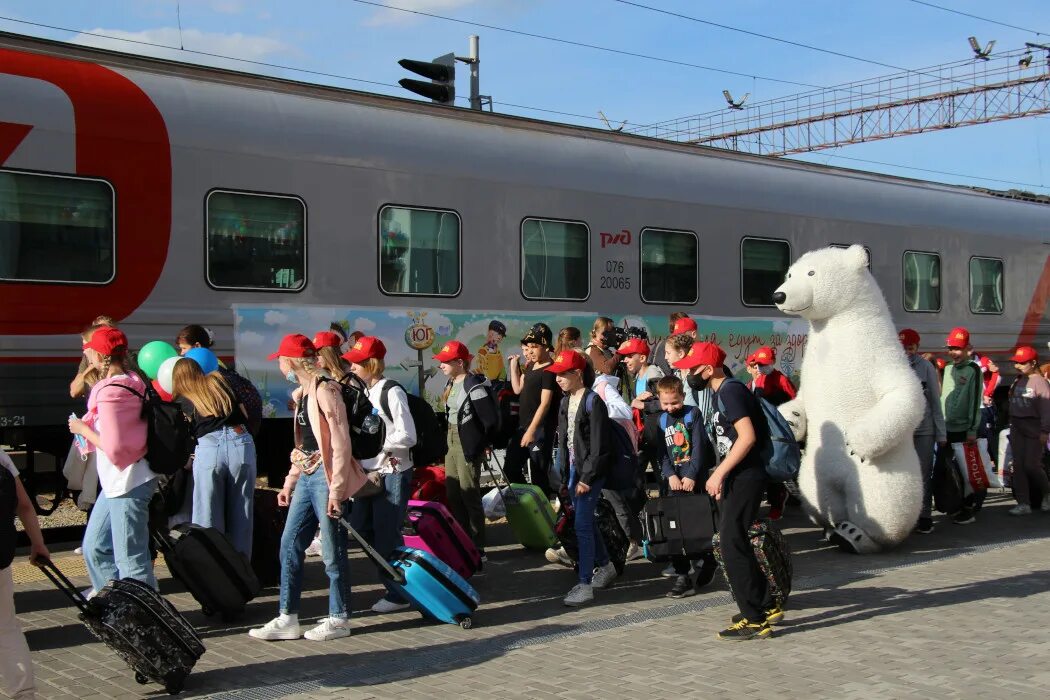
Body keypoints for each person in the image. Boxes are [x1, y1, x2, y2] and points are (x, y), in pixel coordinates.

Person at [249, 334, 362, 642]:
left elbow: (341, 443)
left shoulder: (326, 390)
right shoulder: (303, 394)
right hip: (309, 478)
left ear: (293, 361)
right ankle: (288, 616)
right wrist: (290, 482)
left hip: (326, 481)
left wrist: (337, 490)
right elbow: (305, 447)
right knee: (289, 544)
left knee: (332, 550)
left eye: (281, 360)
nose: (280, 366)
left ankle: (339, 617)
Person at [675, 342, 778, 640]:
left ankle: (755, 619)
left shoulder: (730, 391)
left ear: (708, 369)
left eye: (693, 369)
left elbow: (746, 438)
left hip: (746, 475)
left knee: (731, 543)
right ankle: (764, 603)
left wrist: (719, 474)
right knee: (735, 540)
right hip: (739, 475)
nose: (689, 375)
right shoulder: (725, 391)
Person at [67, 327, 159, 594]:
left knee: (131, 560)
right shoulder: (132, 379)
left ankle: (146, 620)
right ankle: (116, 602)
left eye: (89, 350)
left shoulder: (109, 392)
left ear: (97, 354)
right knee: (95, 547)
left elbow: (114, 448)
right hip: (120, 481)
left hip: (127, 481)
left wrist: (82, 430)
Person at [343, 336, 418, 614]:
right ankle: (394, 582)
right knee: (362, 529)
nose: (351, 367)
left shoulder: (391, 391)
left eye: (357, 363)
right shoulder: (364, 392)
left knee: (387, 533)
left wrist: (380, 446)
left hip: (392, 472)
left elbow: (408, 435)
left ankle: (399, 592)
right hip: (369, 473)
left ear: (371, 364)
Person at [549, 350, 617, 606]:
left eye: (562, 374)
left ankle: (585, 583)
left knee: (582, 526)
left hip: (590, 473)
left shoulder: (593, 401)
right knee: (583, 522)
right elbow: (566, 443)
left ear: (577, 373)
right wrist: (565, 476)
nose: (557, 379)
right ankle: (607, 566)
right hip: (575, 471)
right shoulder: (566, 400)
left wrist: (586, 478)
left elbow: (600, 448)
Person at [171, 358, 256, 557]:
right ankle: (242, 573)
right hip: (240, 440)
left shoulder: (183, 399)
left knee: (207, 516)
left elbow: (183, 435)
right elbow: (244, 414)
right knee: (242, 512)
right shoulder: (218, 382)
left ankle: (215, 572)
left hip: (209, 448)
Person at [655, 375, 719, 598]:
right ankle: (683, 576)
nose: (671, 407)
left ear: (682, 396)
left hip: (694, 480)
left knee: (698, 527)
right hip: (674, 483)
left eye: (675, 402)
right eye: (666, 403)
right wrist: (670, 474)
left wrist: (691, 474)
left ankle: (710, 560)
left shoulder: (693, 414)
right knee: (675, 531)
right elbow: (662, 453)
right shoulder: (662, 421)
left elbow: (699, 448)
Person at [435, 340, 498, 559]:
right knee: (453, 492)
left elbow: (488, 418)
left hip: (467, 441)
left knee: (469, 492)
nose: (441, 365)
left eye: (445, 361)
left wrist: (482, 443)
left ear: (460, 362)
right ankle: (462, 540)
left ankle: (478, 546)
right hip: (451, 439)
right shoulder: (451, 383)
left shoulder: (473, 384)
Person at [1, 449, 48, 700]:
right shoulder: (0, 455)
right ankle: (23, 693)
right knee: (6, 628)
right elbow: (25, 505)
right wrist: (38, 544)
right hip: (0, 560)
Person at [898, 329, 948, 534]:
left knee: (923, 473)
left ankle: (925, 515)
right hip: (902, 430)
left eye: (910, 348)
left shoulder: (926, 367)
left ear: (917, 348)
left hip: (924, 430)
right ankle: (905, 516)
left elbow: (936, 402)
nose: (907, 352)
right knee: (903, 474)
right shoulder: (892, 366)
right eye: (903, 347)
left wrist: (941, 433)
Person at [744, 346, 797, 520]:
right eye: (758, 364)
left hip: (778, 432)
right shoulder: (755, 382)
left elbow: (794, 404)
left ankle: (778, 502)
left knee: (774, 468)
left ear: (773, 362)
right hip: (761, 430)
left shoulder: (781, 379)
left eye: (764, 364)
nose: (760, 367)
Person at [505, 328, 557, 496]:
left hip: (539, 430)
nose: (530, 351)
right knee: (510, 468)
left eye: (535, 346)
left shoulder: (550, 371)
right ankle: (529, 499)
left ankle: (545, 514)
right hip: (523, 427)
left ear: (547, 347)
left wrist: (532, 430)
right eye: (528, 346)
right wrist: (514, 367)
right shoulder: (531, 366)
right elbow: (517, 389)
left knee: (539, 475)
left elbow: (545, 403)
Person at [941, 327, 984, 525]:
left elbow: (975, 401)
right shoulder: (948, 368)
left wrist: (972, 430)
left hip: (964, 430)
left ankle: (969, 507)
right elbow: (943, 398)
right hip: (946, 428)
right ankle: (953, 504)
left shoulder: (973, 370)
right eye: (951, 348)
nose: (954, 353)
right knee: (948, 469)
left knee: (966, 470)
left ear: (968, 349)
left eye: (958, 349)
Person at [1006, 345, 1050, 515]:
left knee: (1031, 465)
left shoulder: (1040, 382)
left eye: (1022, 363)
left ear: (1032, 363)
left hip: (1034, 429)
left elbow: (1046, 407)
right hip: (1017, 427)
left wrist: (1045, 431)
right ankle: (1023, 503)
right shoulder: (1018, 379)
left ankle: (1047, 493)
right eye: (1016, 362)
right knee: (1018, 466)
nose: (1018, 365)